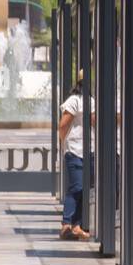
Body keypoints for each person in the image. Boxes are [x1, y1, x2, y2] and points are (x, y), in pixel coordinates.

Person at [58, 74, 92, 241]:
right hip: (75, 150)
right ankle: (66, 223)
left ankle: (76, 225)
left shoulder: (91, 100)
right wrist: (64, 144)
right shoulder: (74, 100)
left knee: (84, 188)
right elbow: (63, 125)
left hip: (89, 149)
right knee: (77, 187)